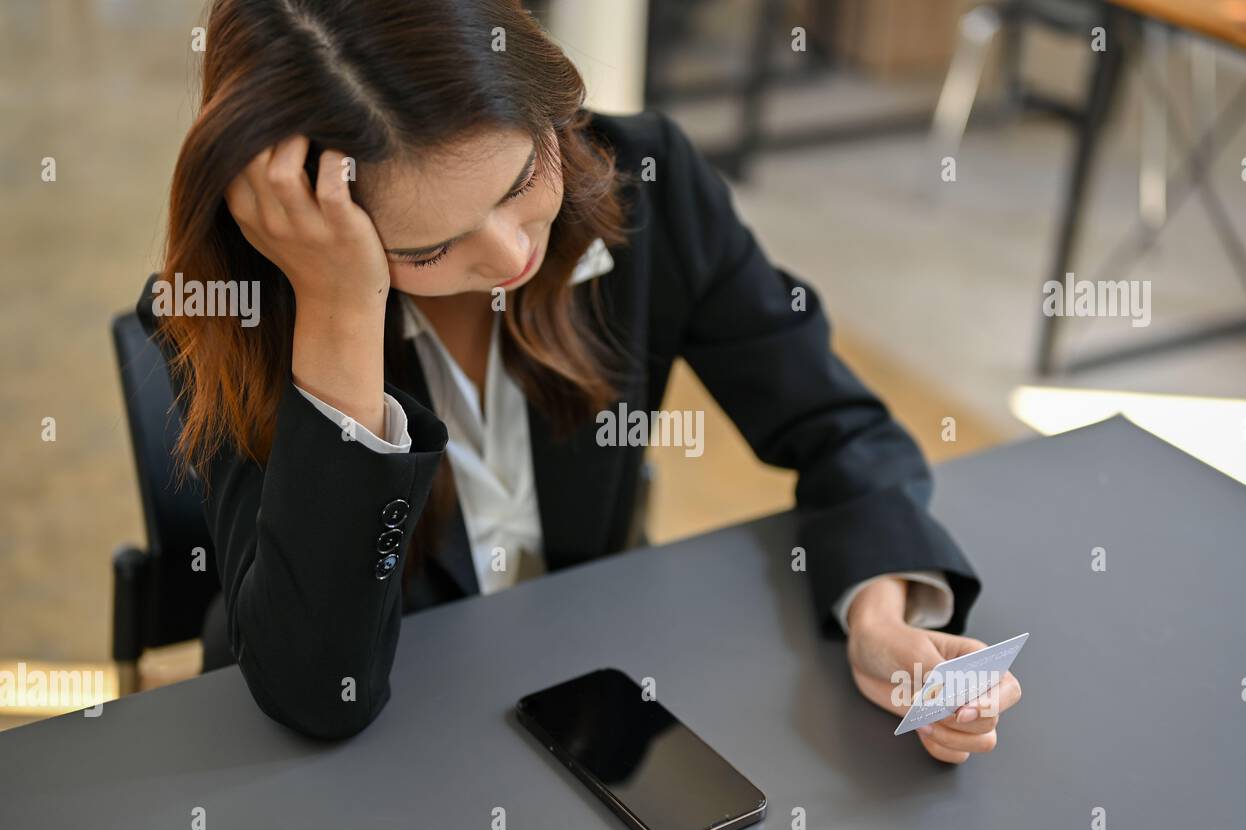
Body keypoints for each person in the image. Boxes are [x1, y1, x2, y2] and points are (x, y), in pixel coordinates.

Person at [140, 0, 1020, 761]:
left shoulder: (652, 182)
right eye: (426, 249)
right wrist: (339, 314)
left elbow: (839, 426)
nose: (512, 252)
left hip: (587, 696)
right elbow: (317, 693)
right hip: (367, 755)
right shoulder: (237, 304)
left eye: (523, 178)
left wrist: (879, 615)